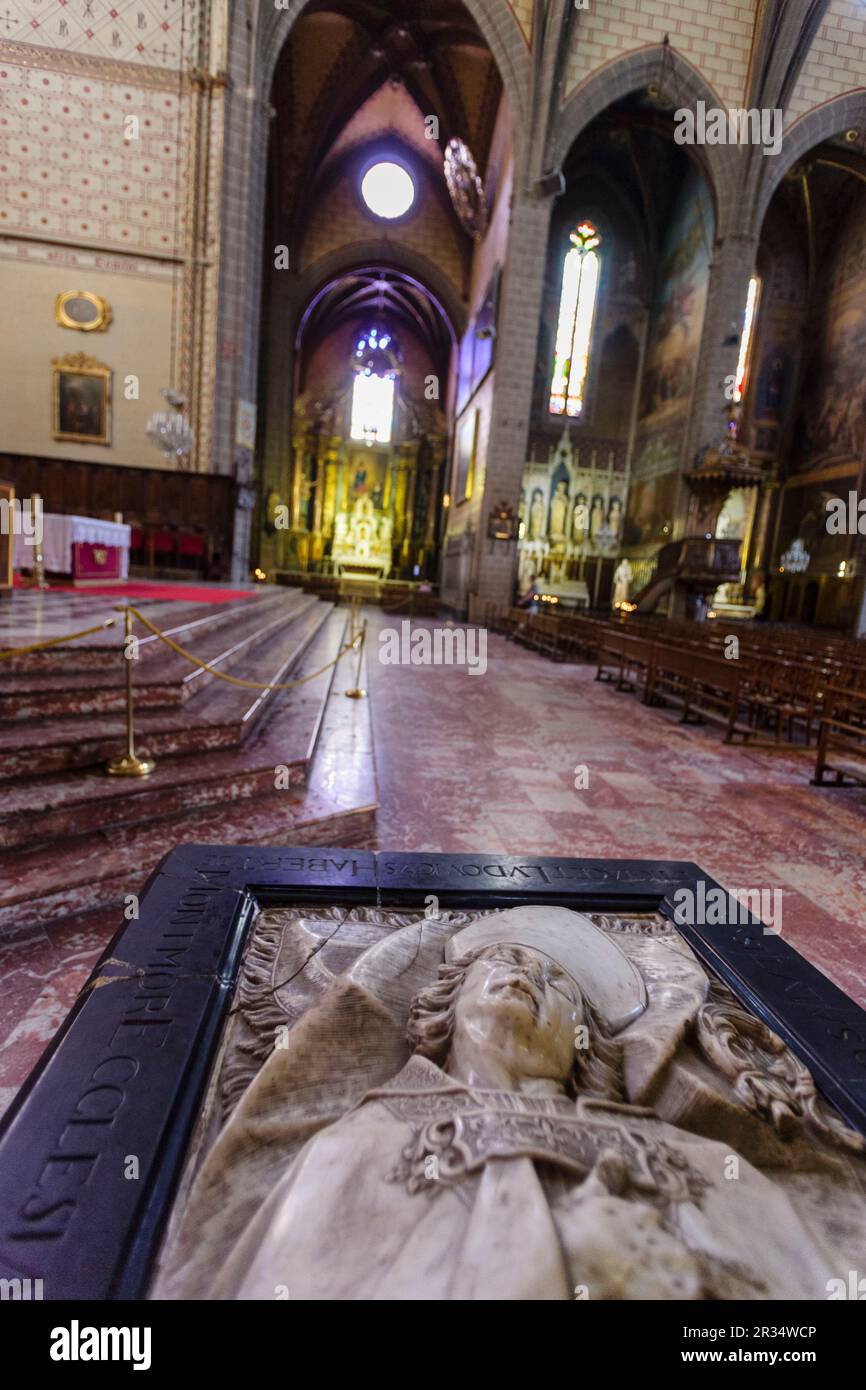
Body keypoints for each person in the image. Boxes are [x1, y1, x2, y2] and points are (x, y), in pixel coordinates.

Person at [171, 908, 846, 1301]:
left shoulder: (686, 1156)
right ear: (445, 1002)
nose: (530, 975)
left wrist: (689, 1277)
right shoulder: (359, 1144)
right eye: (508, 961)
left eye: (558, 984)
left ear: (586, 1046)